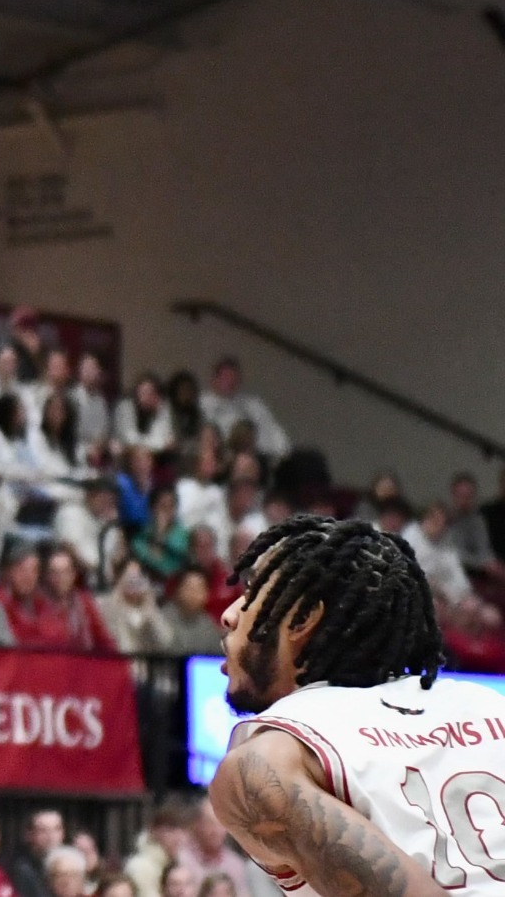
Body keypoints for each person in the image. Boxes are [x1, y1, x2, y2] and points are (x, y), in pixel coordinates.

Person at [210, 515, 499, 897]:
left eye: (252, 594)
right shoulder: (485, 703)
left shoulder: (264, 758)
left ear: (302, 618)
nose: (229, 614)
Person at [197, 358, 288, 461]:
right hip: (216, 459)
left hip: (256, 459)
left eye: (234, 378)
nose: (231, 382)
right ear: (215, 379)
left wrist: (282, 452)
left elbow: (274, 431)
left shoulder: (253, 404)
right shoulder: (201, 403)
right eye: (226, 377)